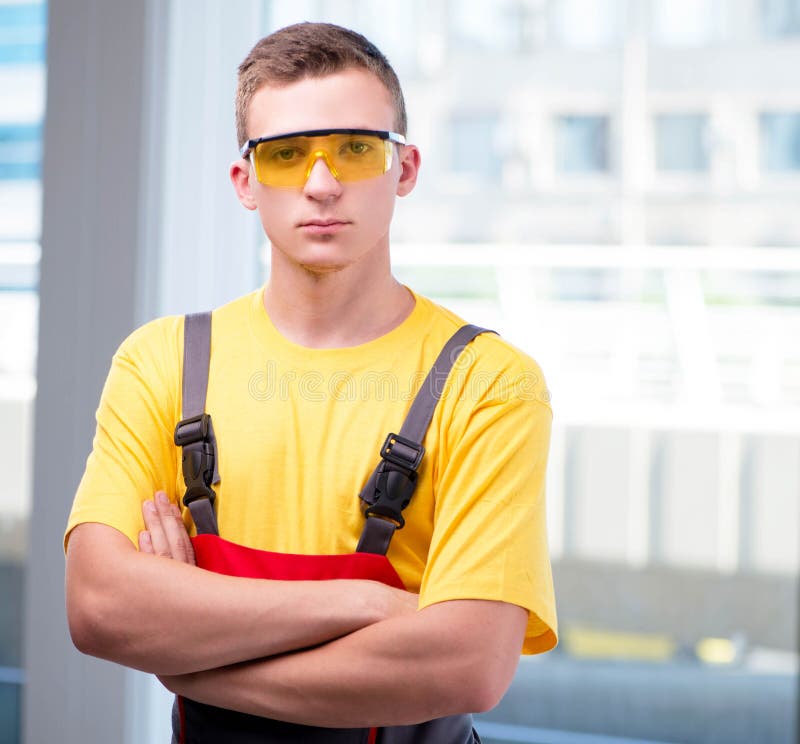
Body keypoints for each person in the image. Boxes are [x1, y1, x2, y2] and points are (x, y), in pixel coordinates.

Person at [64, 21, 557, 742]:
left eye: (355, 149)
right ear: (246, 182)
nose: (321, 183)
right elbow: (99, 607)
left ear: (406, 168)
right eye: (287, 154)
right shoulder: (162, 362)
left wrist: (189, 649)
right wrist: (364, 605)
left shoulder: (489, 384)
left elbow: (469, 664)